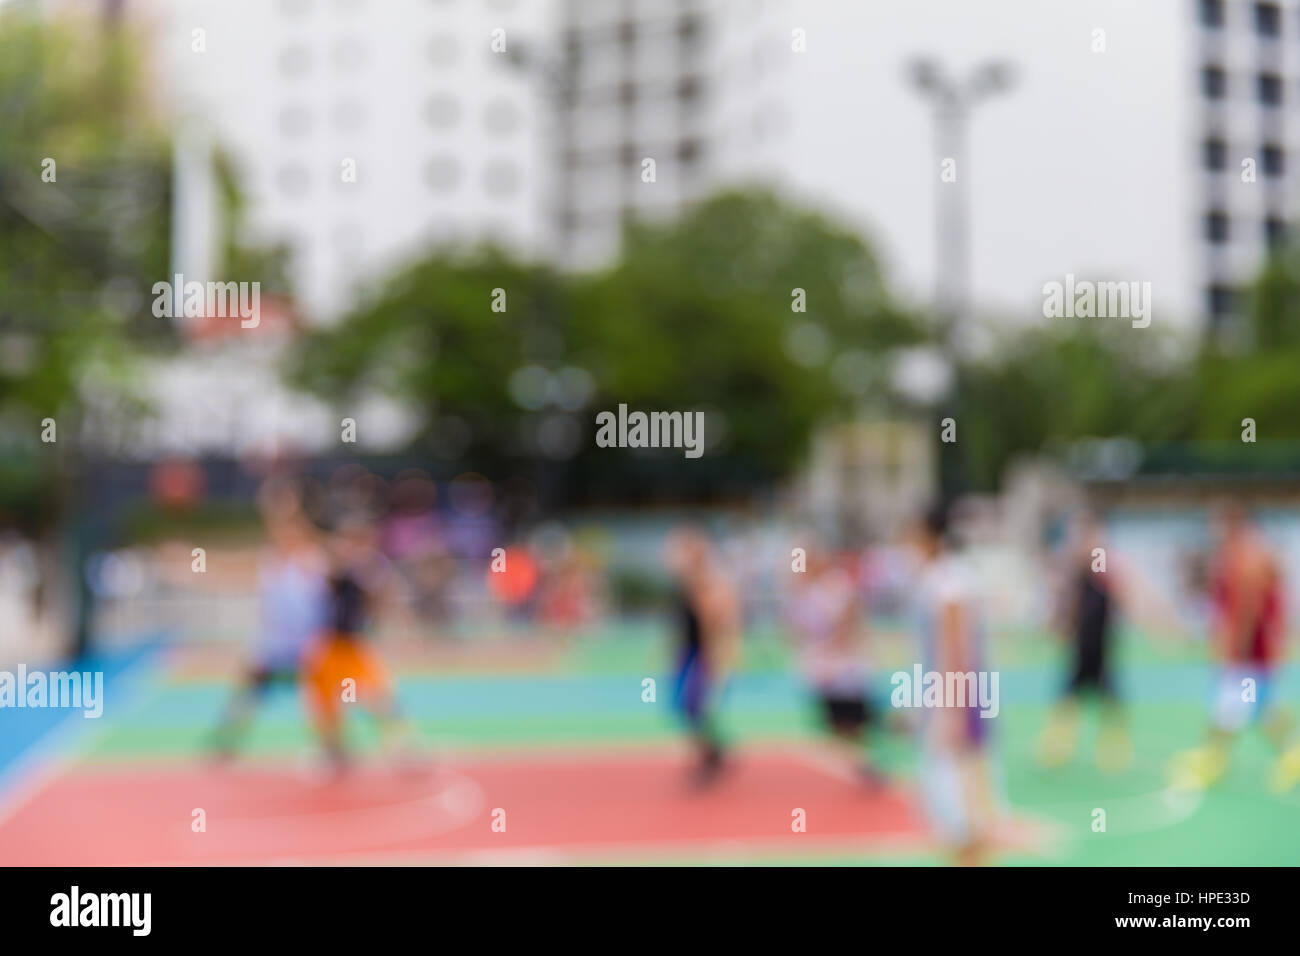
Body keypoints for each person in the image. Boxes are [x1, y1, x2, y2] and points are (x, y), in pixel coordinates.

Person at [1171, 502, 1298, 791]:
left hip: (1250, 653)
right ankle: (1290, 754)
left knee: (1231, 704)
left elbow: (1248, 608)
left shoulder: (1248, 557)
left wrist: (1236, 646)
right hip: (1253, 652)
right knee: (1259, 707)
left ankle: (1214, 760)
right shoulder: (1240, 554)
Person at [209, 478, 328, 760]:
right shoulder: (270, 561)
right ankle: (228, 741)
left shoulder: (313, 560)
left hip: (308, 645)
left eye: (292, 530)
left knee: (320, 696)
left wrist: (292, 511)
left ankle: (330, 744)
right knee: (248, 690)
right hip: (273, 644)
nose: (286, 534)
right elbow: (231, 565)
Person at [908, 502, 997, 866]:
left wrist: (951, 711)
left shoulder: (946, 581)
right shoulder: (948, 576)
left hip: (957, 697)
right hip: (956, 695)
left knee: (960, 793)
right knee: (961, 791)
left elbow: (956, 650)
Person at [301, 513, 417, 772]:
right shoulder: (335, 565)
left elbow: (381, 596)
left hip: (353, 644)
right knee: (323, 700)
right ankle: (334, 750)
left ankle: (400, 746)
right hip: (330, 643)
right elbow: (326, 575)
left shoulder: (370, 567)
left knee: (378, 695)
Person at [1037, 511, 1133, 773]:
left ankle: (1114, 749)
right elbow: (1067, 601)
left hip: (1101, 645)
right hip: (1082, 644)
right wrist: (1061, 624)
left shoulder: (1106, 568)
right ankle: (1057, 747)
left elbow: (1120, 595)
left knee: (1111, 701)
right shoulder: (1077, 568)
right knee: (1068, 697)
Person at [785, 538, 883, 784]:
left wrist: (836, 644)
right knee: (837, 722)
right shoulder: (805, 593)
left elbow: (851, 617)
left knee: (858, 719)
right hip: (825, 669)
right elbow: (797, 631)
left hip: (845, 668)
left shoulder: (835, 585)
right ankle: (860, 760)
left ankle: (869, 757)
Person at [666, 526, 741, 786]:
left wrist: (714, 657)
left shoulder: (707, 582)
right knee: (683, 706)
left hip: (701, 654)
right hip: (689, 652)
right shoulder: (689, 581)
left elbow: (713, 622)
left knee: (695, 705)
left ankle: (712, 755)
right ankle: (714, 751)